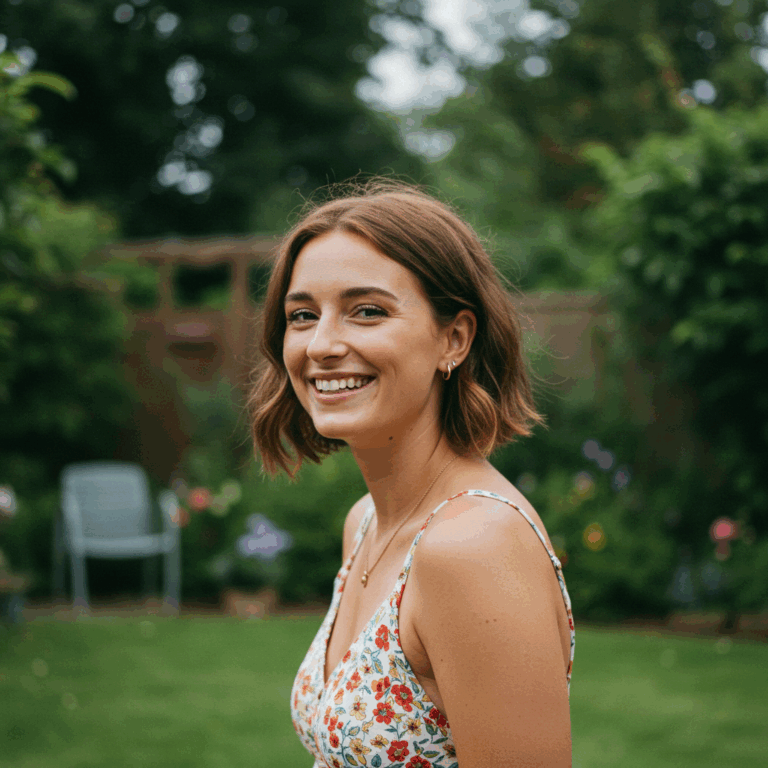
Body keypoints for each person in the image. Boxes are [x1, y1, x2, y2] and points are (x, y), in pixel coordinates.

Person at [249, 180, 575, 767]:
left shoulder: (471, 546)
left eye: (366, 311)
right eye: (302, 315)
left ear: (453, 337)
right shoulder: (367, 522)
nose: (321, 344)